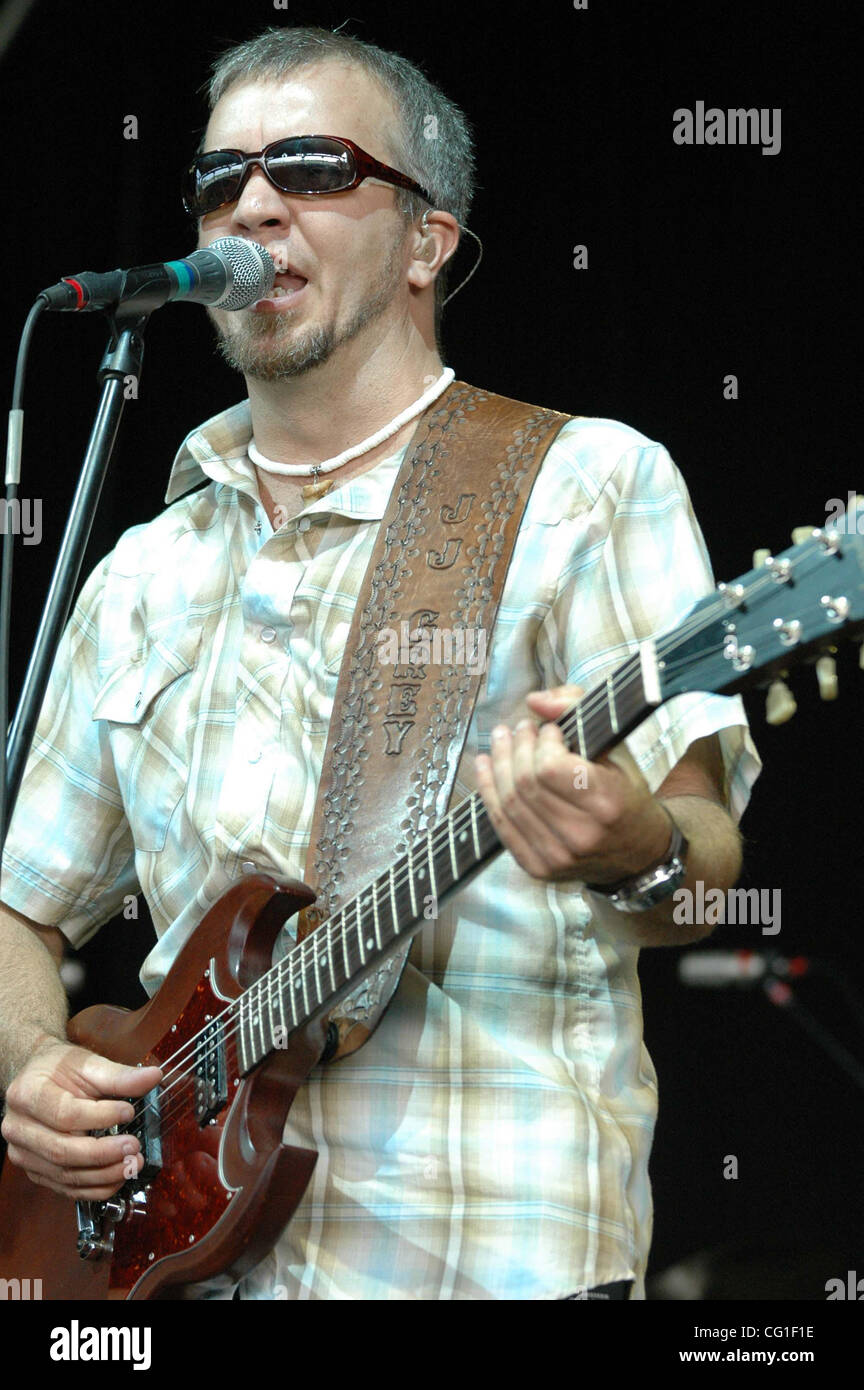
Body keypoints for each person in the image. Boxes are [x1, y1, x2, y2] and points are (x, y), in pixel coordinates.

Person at [0, 25, 759, 1300]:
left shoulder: (583, 486)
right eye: (222, 176)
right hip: (167, 1270)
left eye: (311, 168)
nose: (252, 203)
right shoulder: (144, 569)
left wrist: (631, 840)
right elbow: (22, 909)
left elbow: (706, 864)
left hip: (491, 1259)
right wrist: (29, 1061)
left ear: (428, 240)